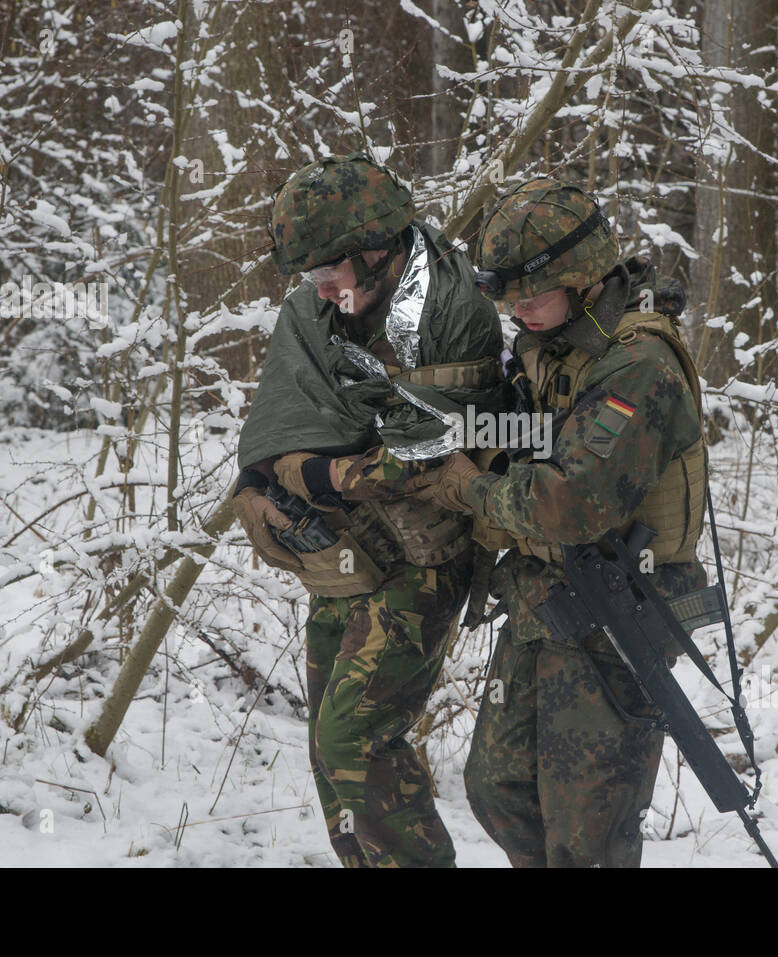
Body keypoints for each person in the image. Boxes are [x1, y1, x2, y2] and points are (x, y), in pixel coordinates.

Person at [409, 179, 709, 867]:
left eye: (531, 296)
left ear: (582, 279)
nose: (518, 311)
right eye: (508, 298)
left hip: (618, 617)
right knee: (499, 790)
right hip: (545, 601)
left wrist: (470, 487)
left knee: (588, 840)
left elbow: (571, 504)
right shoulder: (553, 346)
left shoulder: (640, 365)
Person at [232, 153, 504, 867]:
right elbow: (277, 430)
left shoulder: (451, 308)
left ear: (378, 251)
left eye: (330, 276)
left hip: (424, 553)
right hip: (340, 551)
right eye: (309, 279)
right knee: (329, 749)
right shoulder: (316, 306)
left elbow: (427, 457)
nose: (319, 293)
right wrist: (267, 486)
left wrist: (320, 470)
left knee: (356, 736)